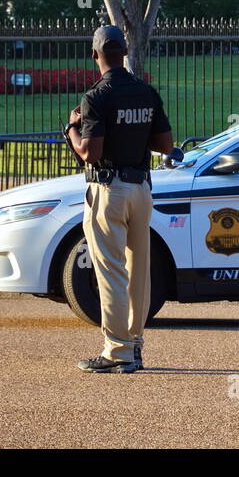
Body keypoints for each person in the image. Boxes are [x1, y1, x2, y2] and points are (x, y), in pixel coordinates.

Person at [64, 25, 175, 373]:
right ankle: (136, 344)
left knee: (110, 272)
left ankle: (117, 351)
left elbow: (90, 153)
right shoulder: (145, 91)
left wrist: (70, 129)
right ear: (124, 53)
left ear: (95, 55)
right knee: (138, 269)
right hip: (141, 189)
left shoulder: (96, 97)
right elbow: (165, 145)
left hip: (108, 190)